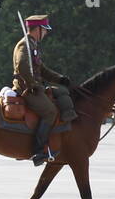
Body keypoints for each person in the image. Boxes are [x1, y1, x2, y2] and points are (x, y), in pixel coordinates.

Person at [13, 13, 76, 166]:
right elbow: (22, 66)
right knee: (50, 112)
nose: (46, 33)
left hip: (36, 86)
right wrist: (32, 84)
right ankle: (38, 149)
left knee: (62, 93)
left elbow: (42, 69)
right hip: (27, 89)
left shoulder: (33, 45)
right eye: (45, 29)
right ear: (38, 29)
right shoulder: (24, 45)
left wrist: (60, 79)